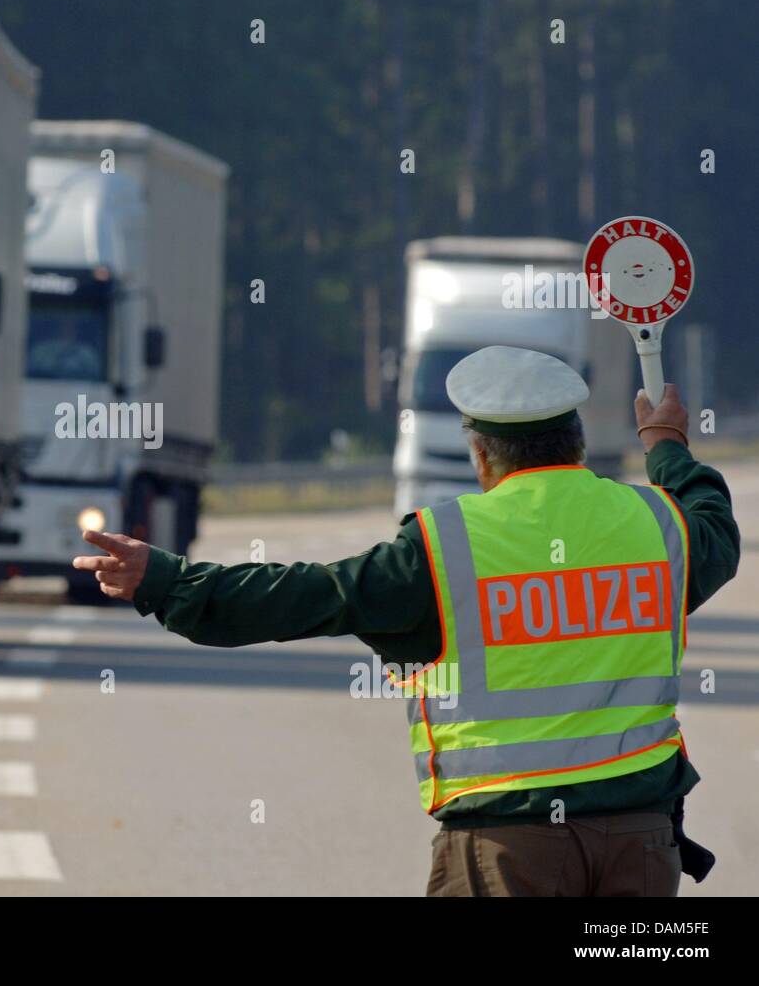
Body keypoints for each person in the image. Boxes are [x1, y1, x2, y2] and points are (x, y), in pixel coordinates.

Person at [72, 345, 740, 897]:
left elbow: (305, 596)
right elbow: (714, 525)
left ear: (481, 454)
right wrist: (668, 449)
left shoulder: (445, 548)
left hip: (509, 854)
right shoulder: (658, 527)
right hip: (641, 847)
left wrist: (166, 580)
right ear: (576, 442)